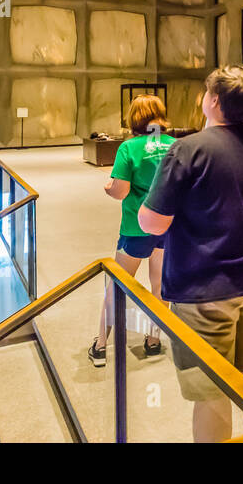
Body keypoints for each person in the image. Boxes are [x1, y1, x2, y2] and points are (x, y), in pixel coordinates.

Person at [138, 65, 243, 442]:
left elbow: (152, 224)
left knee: (212, 390)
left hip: (206, 288)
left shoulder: (187, 149)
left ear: (214, 100)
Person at [89, 95, 176, 367]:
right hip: (168, 226)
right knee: (160, 286)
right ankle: (153, 340)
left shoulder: (129, 148)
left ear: (133, 118)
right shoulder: (174, 146)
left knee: (118, 284)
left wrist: (108, 187)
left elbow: (120, 191)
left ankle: (101, 345)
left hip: (136, 227)